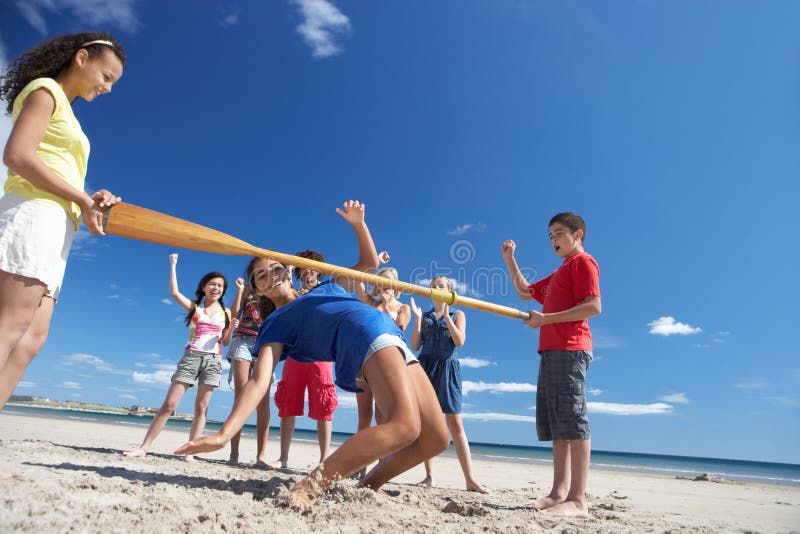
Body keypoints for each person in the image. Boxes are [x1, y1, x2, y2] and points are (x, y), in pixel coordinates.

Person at [176, 201, 450, 511]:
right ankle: (311, 484)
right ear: (258, 291)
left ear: (289, 271)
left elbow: (368, 264)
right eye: (261, 276)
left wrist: (359, 224)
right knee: (405, 426)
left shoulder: (327, 285)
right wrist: (225, 433)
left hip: (395, 339)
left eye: (276, 268)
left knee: (435, 439)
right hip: (366, 338)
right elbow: (259, 380)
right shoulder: (274, 325)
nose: (271, 276)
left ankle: (370, 484)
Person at [0, 32, 125, 414]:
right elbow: (17, 155)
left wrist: (92, 196)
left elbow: (60, 171)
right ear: (82, 58)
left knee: (31, 340)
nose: (107, 88)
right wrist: (82, 198)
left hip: (59, 228)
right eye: (106, 76)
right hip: (34, 213)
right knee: (9, 327)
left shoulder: (70, 114)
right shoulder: (45, 91)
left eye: (112, 83)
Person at [501, 212, 601, 519]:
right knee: (559, 425)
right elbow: (524, 292)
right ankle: (559, 493)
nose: (553, 240)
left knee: (573, 418)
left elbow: (593, 306)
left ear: (578, 234)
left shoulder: (583, 263)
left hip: (571, 349)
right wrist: (510, 259)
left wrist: (547, 319)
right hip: (550, 351)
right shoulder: (559, 272)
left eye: (558, 233)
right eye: (550, 237)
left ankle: (579, 500)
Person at [123, 254, 232, 461]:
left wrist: (232, 329)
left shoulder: (226, 312)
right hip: (191, 357)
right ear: (203, 288)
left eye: (220, 286)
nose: (216, 288)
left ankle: (190, 452)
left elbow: (225, 342)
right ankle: (143, 447)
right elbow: (174, 293)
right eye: (212, 284)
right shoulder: (195, 308)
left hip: (213, 360)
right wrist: (173, 264)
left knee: (201, 408)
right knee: (170, 404)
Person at [409, 276, 488, 493]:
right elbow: (415, 345)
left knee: (455, 425)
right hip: (425, 368)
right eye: (433, 285)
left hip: (448, 369)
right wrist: (417, 320)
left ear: (450, 291)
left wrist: (446, 316)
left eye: (441, 285)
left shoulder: (458, 314)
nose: (436, 288)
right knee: (427, 425)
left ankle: (470, 480)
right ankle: (429, 476)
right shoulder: (423, 316)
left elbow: (460, 341)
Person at [269, 249, 338, 469]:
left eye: (313, 267)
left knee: (324, 405)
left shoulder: (329, 290)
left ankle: (324, 459)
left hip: (321, 354)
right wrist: (288, 273)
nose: (308, 270)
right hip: (296, 354)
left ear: (320, 270)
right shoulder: (293, 294)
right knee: (288, 402)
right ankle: (284, 458)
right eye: (303, 267)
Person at [353, 263, 410, 468]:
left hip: (387, 363)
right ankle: (359, 464)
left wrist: (386, 305)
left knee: (383, 417)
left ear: (396, 285)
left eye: (389, 280)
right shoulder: (369, 301)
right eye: (382, 279)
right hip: (363, 359)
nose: (385, 284)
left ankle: (380, 465)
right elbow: (357, 279)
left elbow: (400, 328)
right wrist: (374, 261)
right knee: (364, 416)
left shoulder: (404, 307)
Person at [226, 265, 273, 467]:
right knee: (241, 397)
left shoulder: (274, 291)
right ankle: (234, 454)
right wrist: (238, 290)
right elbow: (234, 315)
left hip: (265, 344)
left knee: (263, 401)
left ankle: (260, 456)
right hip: (243, 341)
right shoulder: (246, 289)